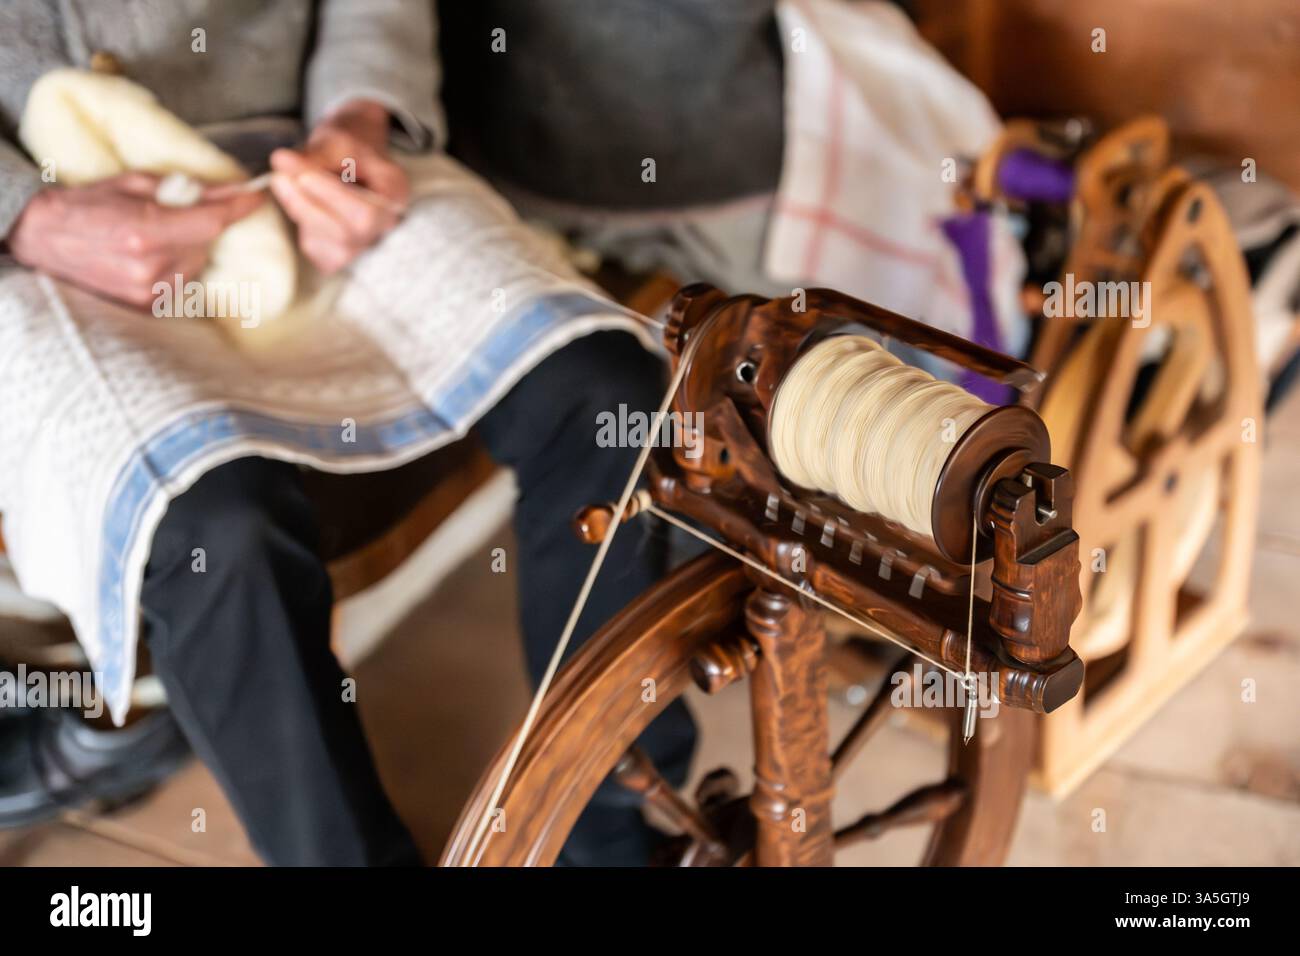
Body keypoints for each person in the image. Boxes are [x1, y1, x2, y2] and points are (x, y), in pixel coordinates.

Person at [0, 0, 792, 865]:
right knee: (212, 528)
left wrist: (359, 112)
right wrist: (28, 215)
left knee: (607, 391)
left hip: (308, 157)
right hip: (42, 226)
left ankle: (608, 826)